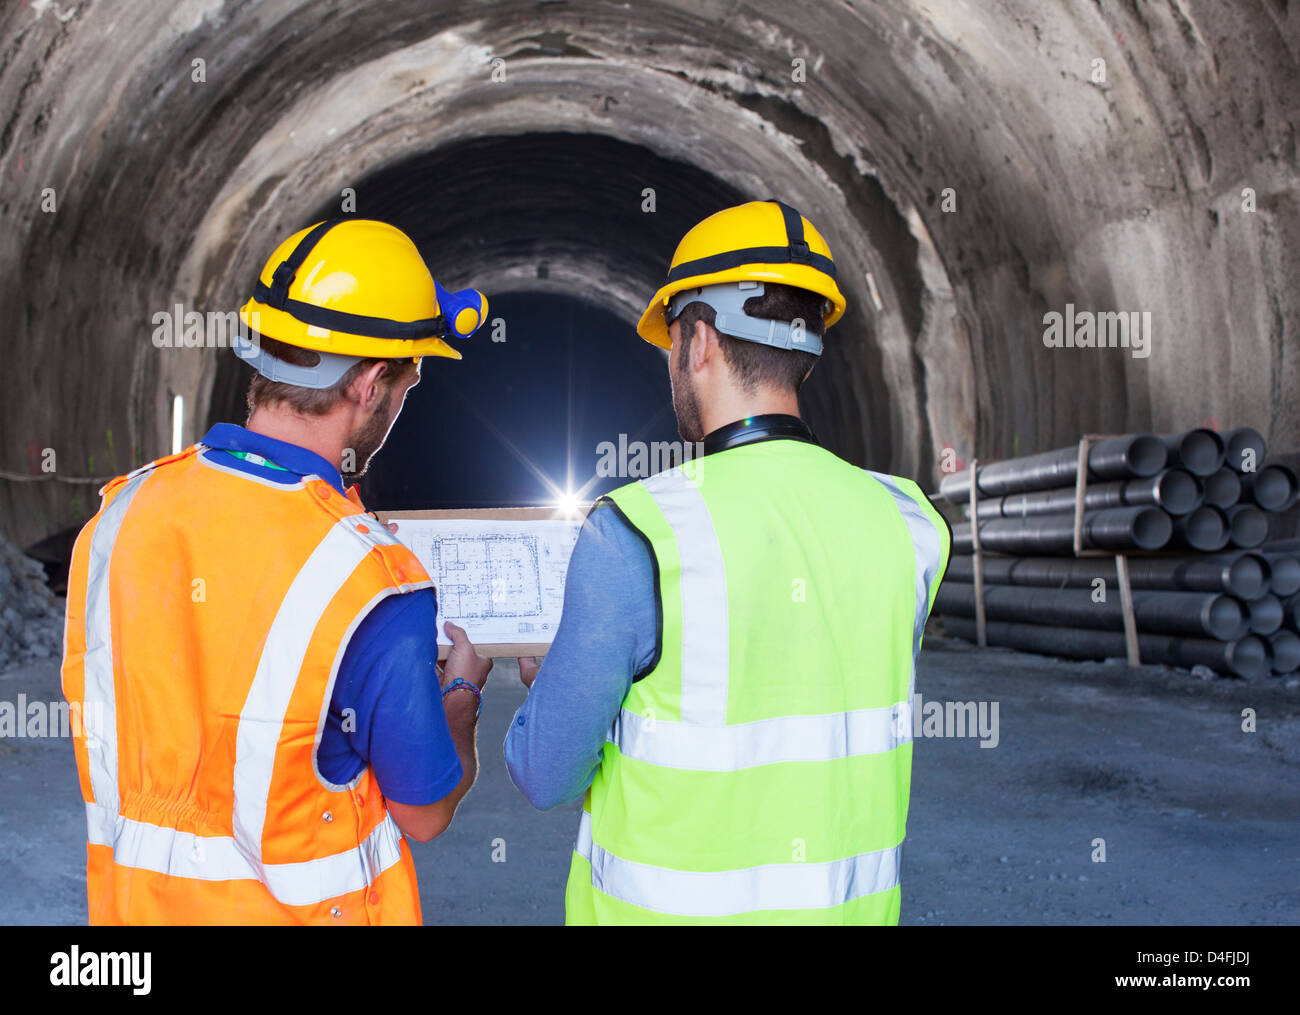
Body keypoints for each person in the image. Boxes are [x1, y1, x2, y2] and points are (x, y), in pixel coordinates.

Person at [504, 200, 951, 924]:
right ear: (805, 347)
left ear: (701, 339)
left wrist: (553, 687)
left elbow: (546, 772)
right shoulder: (909, 523)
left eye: (671, 340)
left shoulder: (637, 533)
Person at [61, 218, 493, 925]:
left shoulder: (117, 516)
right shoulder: (372, 581)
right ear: (371, 382)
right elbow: (424, 811)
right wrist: (462, 693)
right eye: (408, 383)